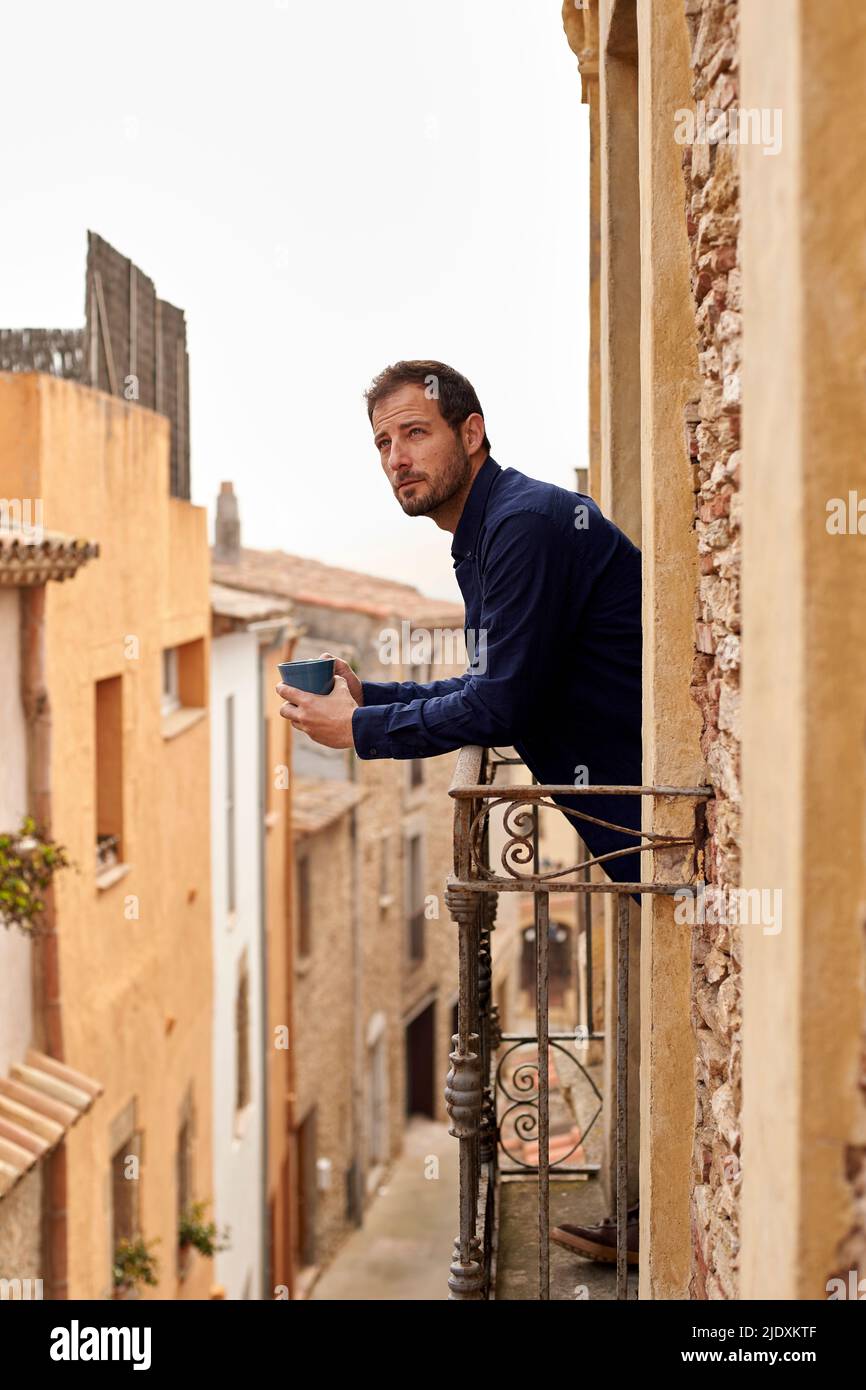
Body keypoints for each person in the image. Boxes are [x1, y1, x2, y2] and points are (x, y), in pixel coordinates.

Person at [276, 359, 643, 1259]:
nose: (397, 458)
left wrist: (360, 734)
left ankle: (650, 1225)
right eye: (383, 444)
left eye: (415, 434)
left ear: (470, 433)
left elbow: (502, 707)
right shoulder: (485, 534)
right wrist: (376, 698)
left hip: (654, 808)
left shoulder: (518, 527)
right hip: (631, 819)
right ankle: (643, 1221)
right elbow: (489, 683)